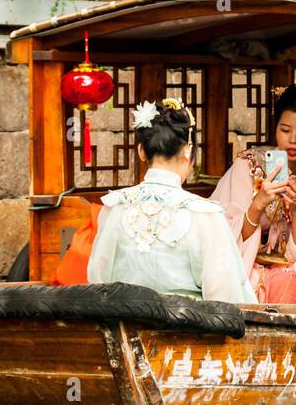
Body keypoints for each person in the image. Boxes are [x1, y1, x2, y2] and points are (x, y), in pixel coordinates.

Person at [86, 98, 255, 303]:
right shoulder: (204, 214)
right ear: (188, 150)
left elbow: (97, 279)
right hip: (187, 331)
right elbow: (226, 296)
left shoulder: (116, 206)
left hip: (123, 329)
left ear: (141, 151)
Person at [212, 84, 296, 304]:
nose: (293, 140)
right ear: (276, 129)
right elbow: (222, 234)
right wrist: (258, 203)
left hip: (287, 273)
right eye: (285, 130)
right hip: (244, 266)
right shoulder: (249, 166)